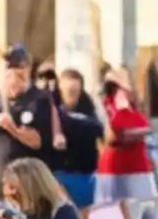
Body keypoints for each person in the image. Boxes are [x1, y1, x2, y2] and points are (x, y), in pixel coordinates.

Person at [0, 44, 56, 205]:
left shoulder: (39, 99)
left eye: (19, 75)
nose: (13, 80)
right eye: (9, 74)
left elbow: (38, 141)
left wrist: (12, 128)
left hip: (24, 182)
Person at [97, 68, 157, 204]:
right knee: (117, 216)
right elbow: (110, 137)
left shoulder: (134, 109)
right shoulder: (106, 107)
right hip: (114, 172)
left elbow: (146, 128)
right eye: (113, 87)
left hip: (139, 169)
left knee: (147, 214)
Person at [54, 68, 104, 208]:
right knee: (67, 212)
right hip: (60, 173)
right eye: (68, 90)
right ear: (60, 87)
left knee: (84, 216)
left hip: (86, 174)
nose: (71, 94)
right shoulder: (52, 106)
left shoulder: (88, 106)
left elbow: (100, 130)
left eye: (75, 91)